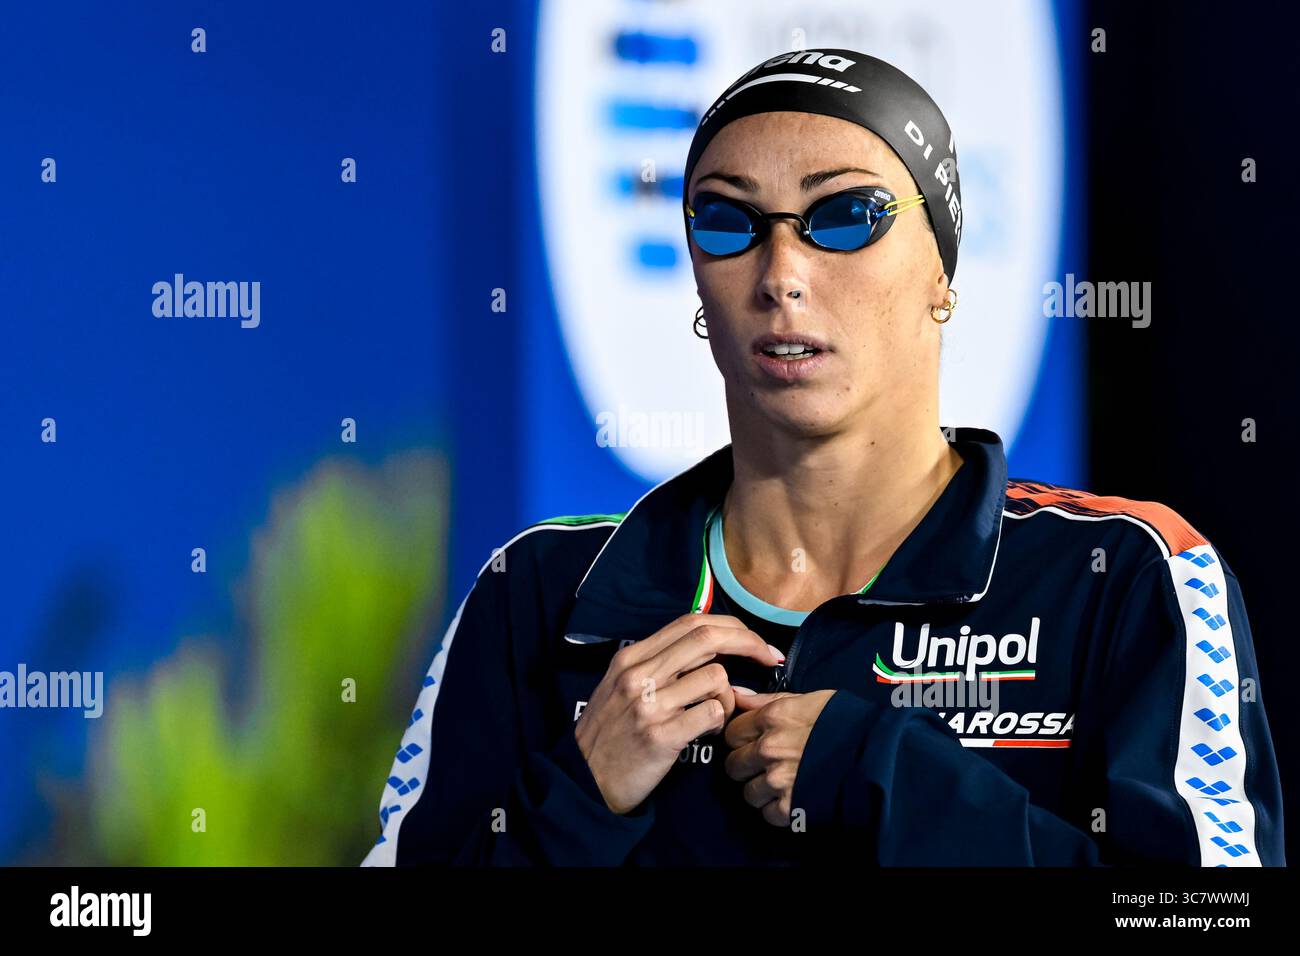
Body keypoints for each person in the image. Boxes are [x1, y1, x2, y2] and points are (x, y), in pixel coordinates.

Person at [362, 48, 1284, 866]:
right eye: (728, 221)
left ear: (941, 272)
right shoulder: (537, 596)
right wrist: (579, 801)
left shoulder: (1121, 576)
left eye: (845, 215)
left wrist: (886, 779)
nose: (781, 273)